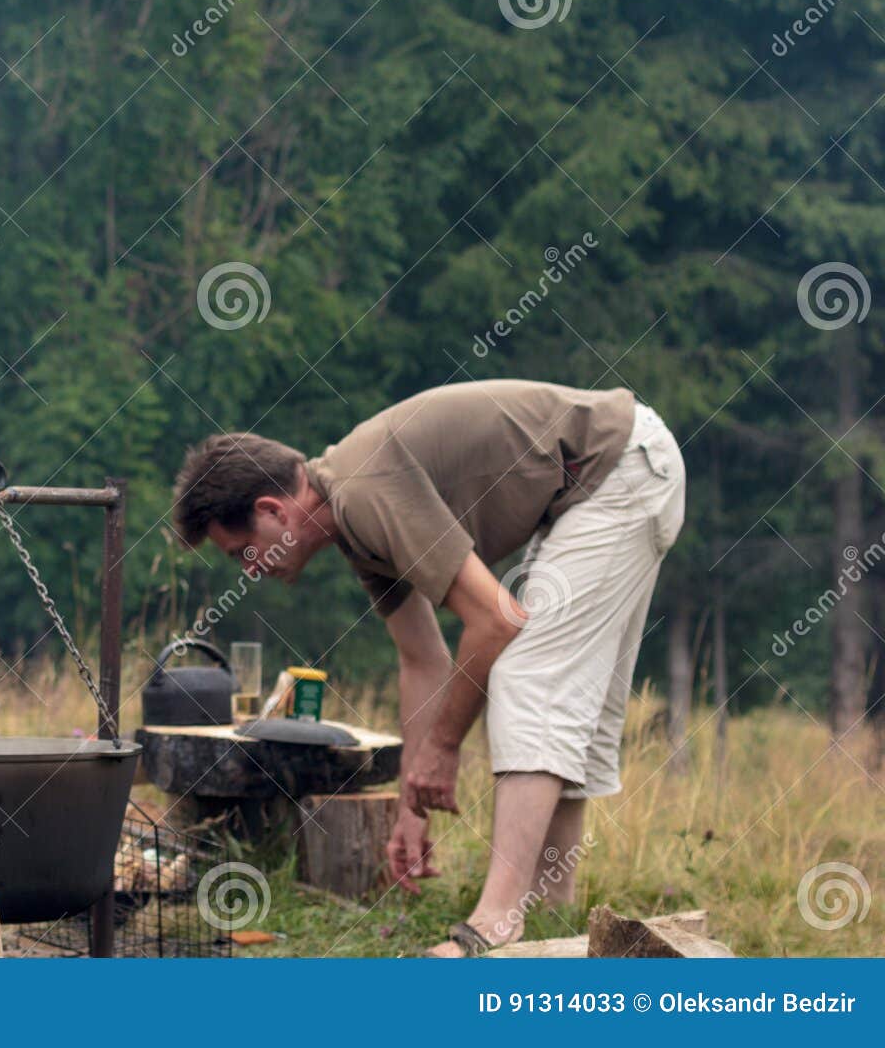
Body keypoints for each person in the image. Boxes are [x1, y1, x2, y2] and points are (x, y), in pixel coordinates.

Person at [171, 379, 686, 955]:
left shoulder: (363, 490)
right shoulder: (352, 517)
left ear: (272, 509)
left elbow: (494, 619)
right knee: (556, 690)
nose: (249, 571)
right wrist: (411, 812)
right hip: (614, 473)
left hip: (618, 470)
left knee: (528, 677)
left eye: (244, 551)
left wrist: (443, 749)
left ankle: (495, 924)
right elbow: (423, 659)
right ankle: (547, 909)